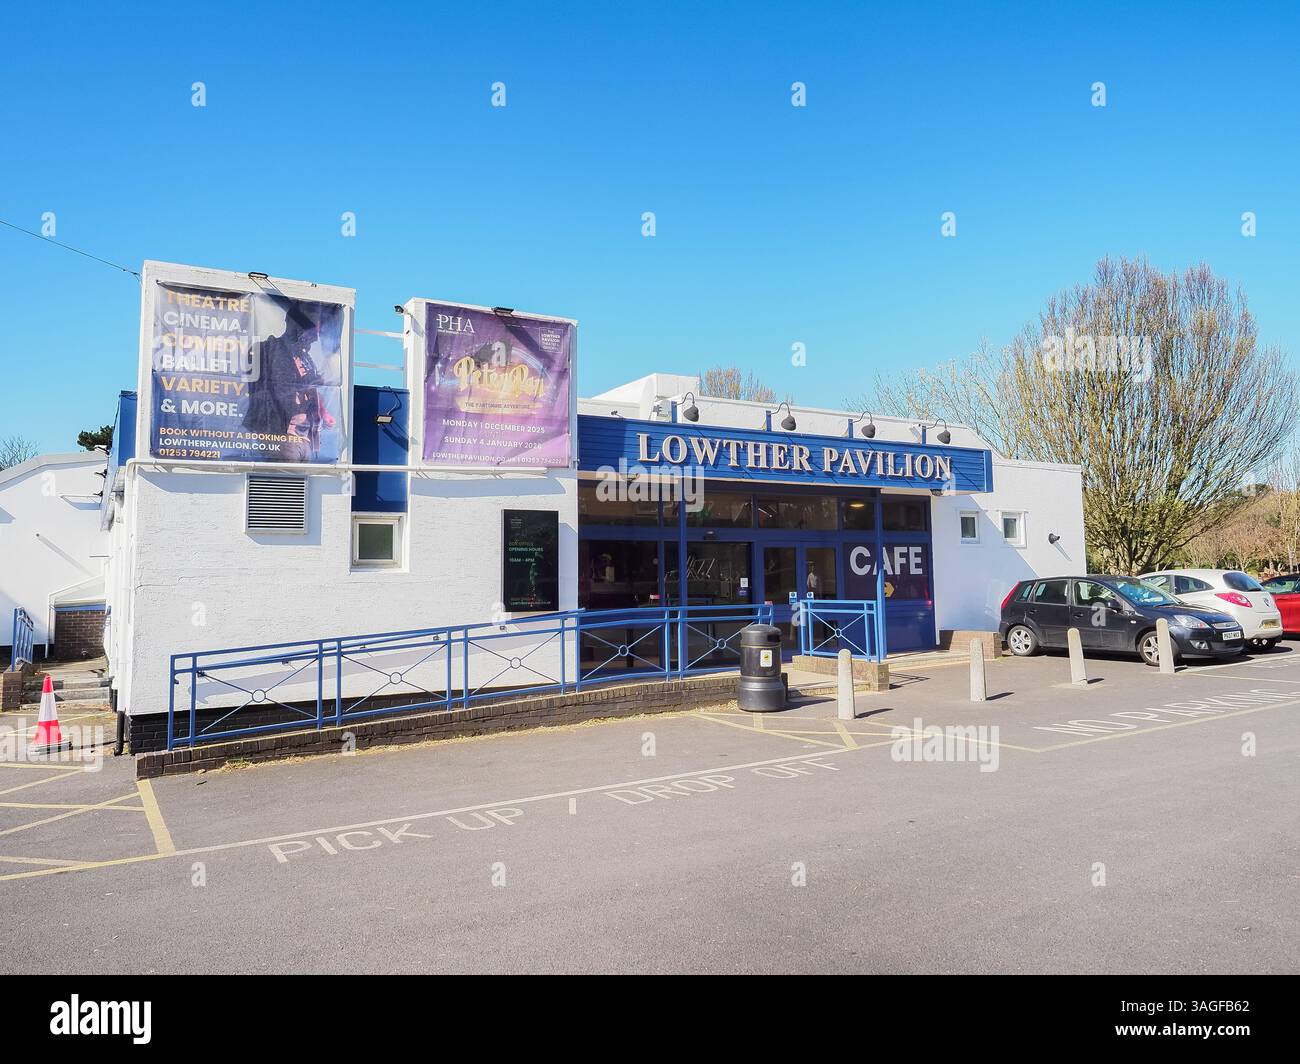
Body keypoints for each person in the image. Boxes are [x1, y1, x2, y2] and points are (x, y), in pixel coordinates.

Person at [243, 300, 337, 461]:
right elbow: (278, 390)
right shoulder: (267, 349)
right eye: (313, 331)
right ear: (294, 325)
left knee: (304, 483)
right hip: (281, 437)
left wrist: (324, 412)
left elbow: (311, 390)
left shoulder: (305, 358)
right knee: (285, 483)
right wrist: (309, 382)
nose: (315, 338)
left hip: (305, 438)